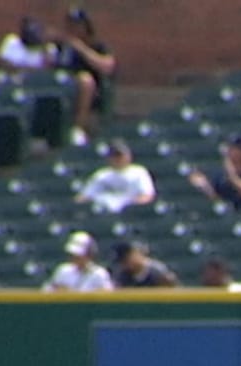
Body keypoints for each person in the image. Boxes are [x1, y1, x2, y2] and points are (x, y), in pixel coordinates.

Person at [52, 7, 116, 146]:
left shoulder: (97, 45)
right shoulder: (60, 46)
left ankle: (78, 129)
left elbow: (108, 66)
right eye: (70, 25)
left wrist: (81, 49)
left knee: (84, 80)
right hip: (62, 85)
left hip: (88, 91)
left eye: (77, 25)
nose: (72, 29)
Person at [187, 137, 241, 211]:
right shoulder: (220, 174)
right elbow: (216, 198)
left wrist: (233, 178)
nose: (231, 151)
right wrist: (204, 186)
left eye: (235, 148)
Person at [75, 139, 156, 214]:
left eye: (119, 155)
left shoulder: (139, 172)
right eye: (113, 156)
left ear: (128, 156)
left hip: (130, 213)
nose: (117, 159)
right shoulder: (101, 175)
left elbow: (147, 196)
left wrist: (129, 206)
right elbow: (84, 197)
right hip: (104, 212)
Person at [44, 231, 113, 292]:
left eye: (78, 255)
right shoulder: (63, 270)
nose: (74, 257)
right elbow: (47, 290)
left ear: (89, 254)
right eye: (73, 254)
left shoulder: (99, 273)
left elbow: (108, 295)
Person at [112, 240, 178, 288]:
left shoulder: (156, 270)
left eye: (126, 260)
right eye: (121, 262)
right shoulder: (122, 275)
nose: (125, 265)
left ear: (135, 253)